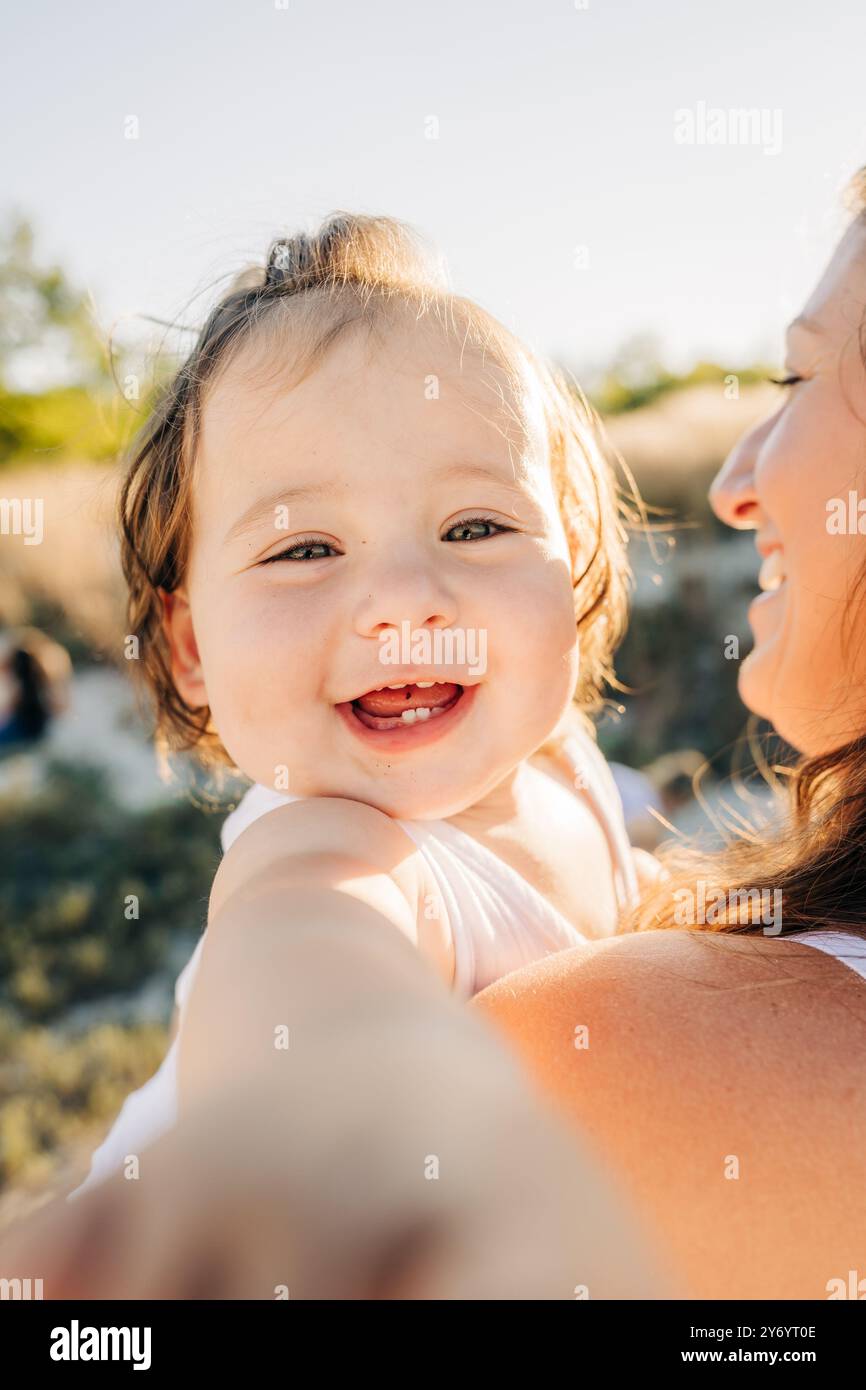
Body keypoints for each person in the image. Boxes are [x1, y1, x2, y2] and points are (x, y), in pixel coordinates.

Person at [66, 211, 651, 1202]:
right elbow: (303, 953)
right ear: (193, 643)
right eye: (304, 549)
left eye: (474, 525)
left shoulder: (559, 757)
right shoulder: (321, 853)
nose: (401, 600)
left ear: (572, 561)